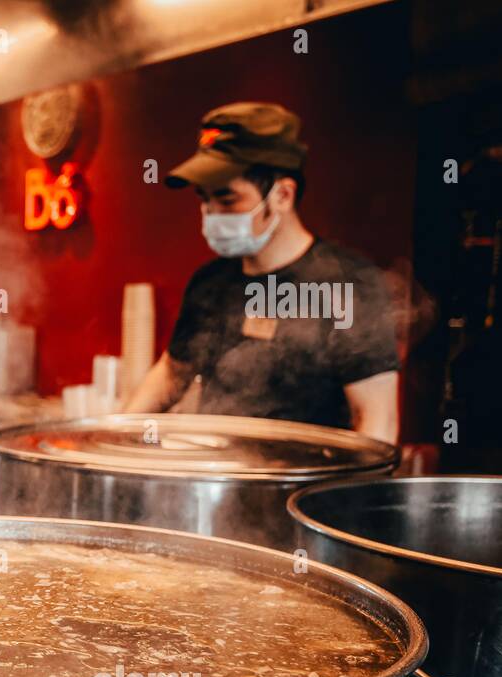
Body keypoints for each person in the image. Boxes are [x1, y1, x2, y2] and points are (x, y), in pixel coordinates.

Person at [124, 103, 399, 443]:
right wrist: (118, 434)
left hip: (304, 490)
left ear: (282, 195)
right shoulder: (210, 282)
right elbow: (171, 374)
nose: (210, 214)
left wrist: (347, 497)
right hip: (213, 483)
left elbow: (377, 420)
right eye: (205, 200)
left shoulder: (348, 285)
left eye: (227, 200)